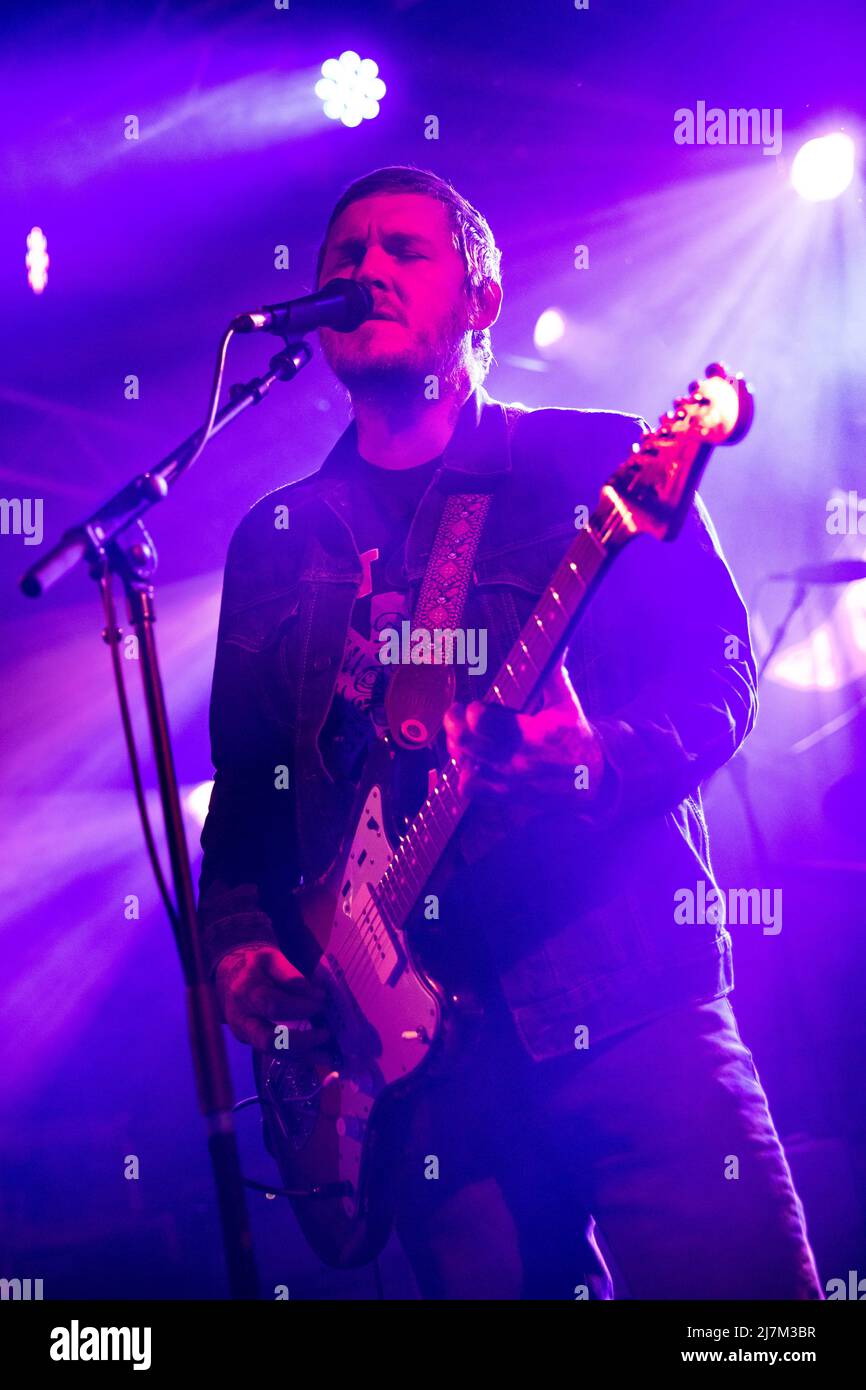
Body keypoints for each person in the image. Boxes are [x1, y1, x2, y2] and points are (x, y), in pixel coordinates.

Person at [198, 165, 823, 1300]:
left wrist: (594, 761)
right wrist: (242, 949)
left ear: (482, 299)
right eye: (345, 256)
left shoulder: (590, 463)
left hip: (622, 996)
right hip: (419, 1082)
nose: (365, 270)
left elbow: (719, 677)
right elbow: (245, 801)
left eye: (403, 251)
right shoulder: (275, 541)